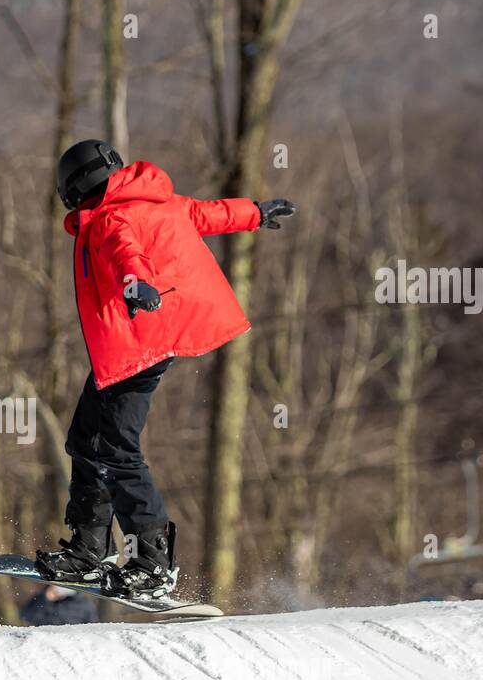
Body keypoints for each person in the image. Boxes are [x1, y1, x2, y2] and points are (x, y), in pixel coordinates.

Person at [34, 139, 295, 598]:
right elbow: (204, 213)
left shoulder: (110, 218)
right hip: (129, 349)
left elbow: (125, 256)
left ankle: (153, 562)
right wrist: (253, 212)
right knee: (86, 439)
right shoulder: (155, 200)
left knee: (115, 449)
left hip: (137, 347)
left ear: (74, 188)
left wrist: (136, 284)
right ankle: (89, 549)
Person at [19, 584, 99, 627]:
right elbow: (26, 616)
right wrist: (45, 599)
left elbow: (92, 628)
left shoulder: (85, 604)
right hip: (44, 640)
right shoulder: (42, 598)